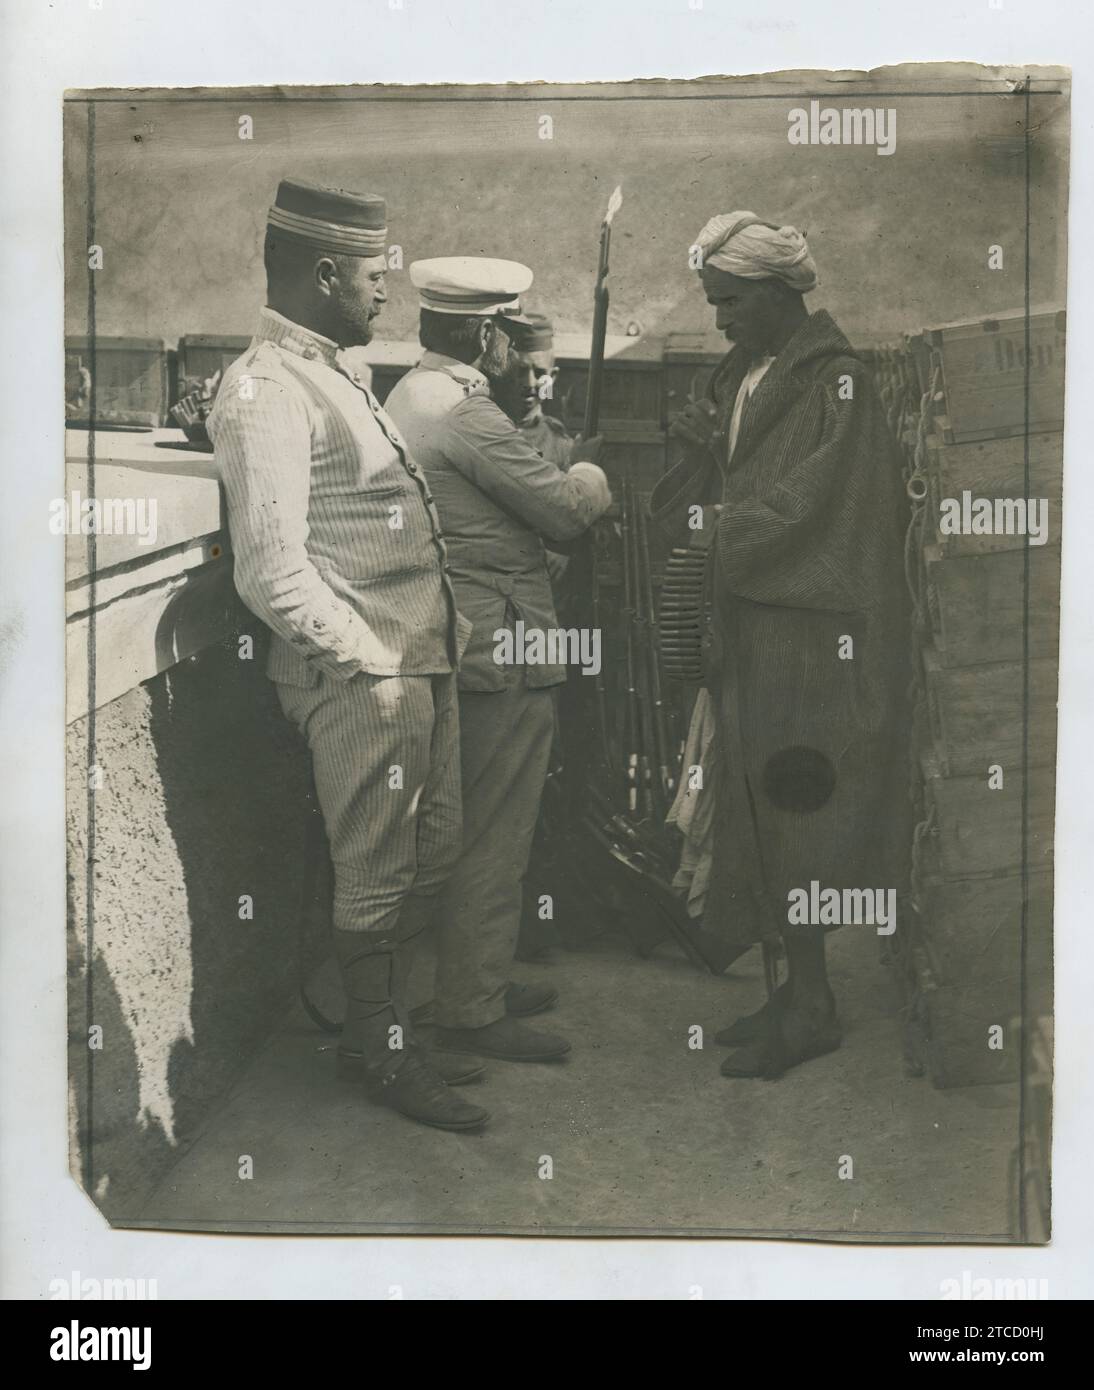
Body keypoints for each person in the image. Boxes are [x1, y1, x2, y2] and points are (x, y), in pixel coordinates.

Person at [208, 179, 489, 1133]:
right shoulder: (262, 391)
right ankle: (381, 1055)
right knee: (376, 873)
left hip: (418, 668)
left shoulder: (332, 373)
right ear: (325, 272)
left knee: (429, 858)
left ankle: (397, 1032)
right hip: (366, 681)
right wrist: (367, 663)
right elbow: (270, 568)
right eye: (374, 275)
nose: (385, 292)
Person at [651, 211, 909, 1079]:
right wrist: (697, 454)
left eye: (729, 304)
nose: (720, 320)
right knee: (757, 818)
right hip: (754, 631)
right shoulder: (748, 375)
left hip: (812, 638)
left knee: (801, 821)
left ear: (773, 293)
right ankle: (792, 991)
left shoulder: (838, 385)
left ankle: (816, 1007)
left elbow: (822, 505)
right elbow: (732, 477)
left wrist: (720, 528)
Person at [385, 257, 612, 1063]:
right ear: (484, 334)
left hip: (456, 638)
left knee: (468, 821)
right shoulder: (468, 414)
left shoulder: (409, 394)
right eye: (508, 338)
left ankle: (467, 979)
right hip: (502, 646)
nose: (517, 360)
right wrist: (588, 466)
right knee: (494, 830)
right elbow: (564, 513)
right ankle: (471, 1008)